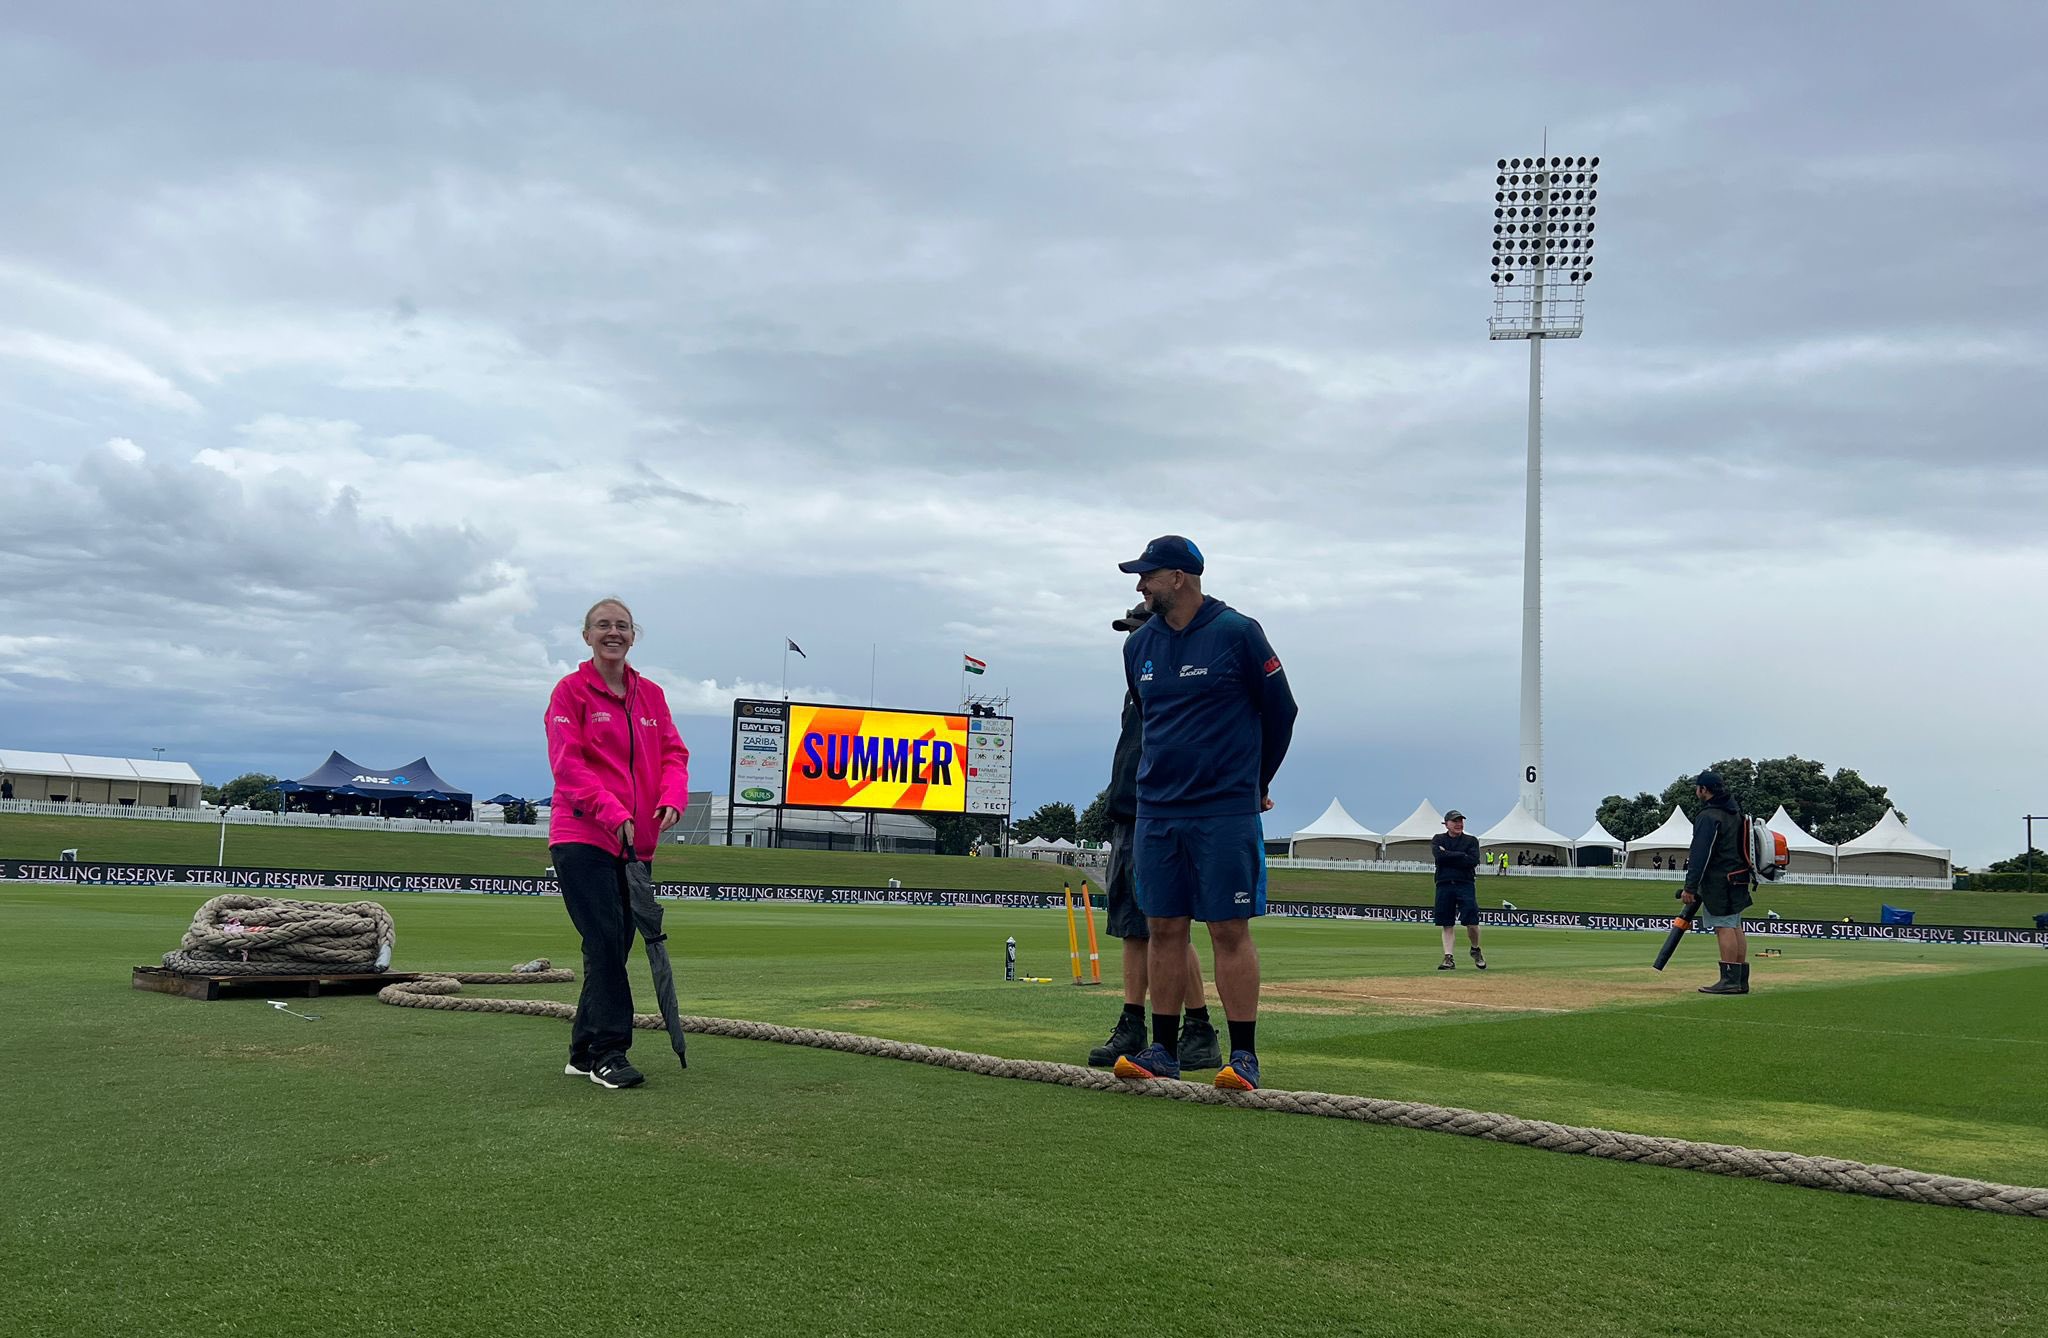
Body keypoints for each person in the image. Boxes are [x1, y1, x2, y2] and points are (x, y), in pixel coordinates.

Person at [1110, 535, 1298, 1092]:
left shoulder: (1237, 632)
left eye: (1148, 575)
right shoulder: (1137, 647)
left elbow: (1282, 712)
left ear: (1180, 578)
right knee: (1163, 927)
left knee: (1227, 928)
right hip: (1156, 811)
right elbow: (1148, 718)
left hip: (1223, 809)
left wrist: (1256, 781)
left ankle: (1243, 1058)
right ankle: (1162, 1050)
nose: (1140, 584)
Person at [545, 596, 692, 1088]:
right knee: (606, 941)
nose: (614, 632)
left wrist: (673, 796)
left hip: (636, 844)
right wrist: (613, 812)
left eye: (622, 626)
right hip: (583, 833)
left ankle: (583, 1051)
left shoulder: (650, 695)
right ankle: (611, 1050)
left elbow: (674, 751)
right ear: (587, 636)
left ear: (634, 636)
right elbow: (569, 765)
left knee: (613, 944)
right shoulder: (570, 692)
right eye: (603, 625)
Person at [1087, 601, 1219, 1071]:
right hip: (1131, 812)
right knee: (1134, 927)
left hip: (1156, 813)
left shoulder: (1175, 683)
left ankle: (1189, 1027)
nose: (1131, 639)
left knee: (1164, 927)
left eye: (1138, 629)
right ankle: (1157, 1025)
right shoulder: (1140, 684)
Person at [1680, 770, 1753, 995]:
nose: (1696, 791)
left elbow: (1700, 854)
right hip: (1739, 876)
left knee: (1724, 926)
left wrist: (1690, 886)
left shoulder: (1709, 816)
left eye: (1698, 787)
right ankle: (1739, 979)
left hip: (1720, 881)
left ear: (1704, 789)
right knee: (1734, 925)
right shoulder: (1736, 814)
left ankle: (1730, 980)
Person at [1430, 811, 1485, 969]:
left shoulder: (1471, 840)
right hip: (1444, 883)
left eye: (1460, 821)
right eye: (1455, 821)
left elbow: (1473, 861)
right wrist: (1461, 856)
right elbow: (1439, 857)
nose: (1458, 824)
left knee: (1472, 922)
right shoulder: (1438, 839)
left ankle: (1475, 949)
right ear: (1446, 823)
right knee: (1446, 923)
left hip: (1465, 883)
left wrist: (1449, 854)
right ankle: (1448, 957)